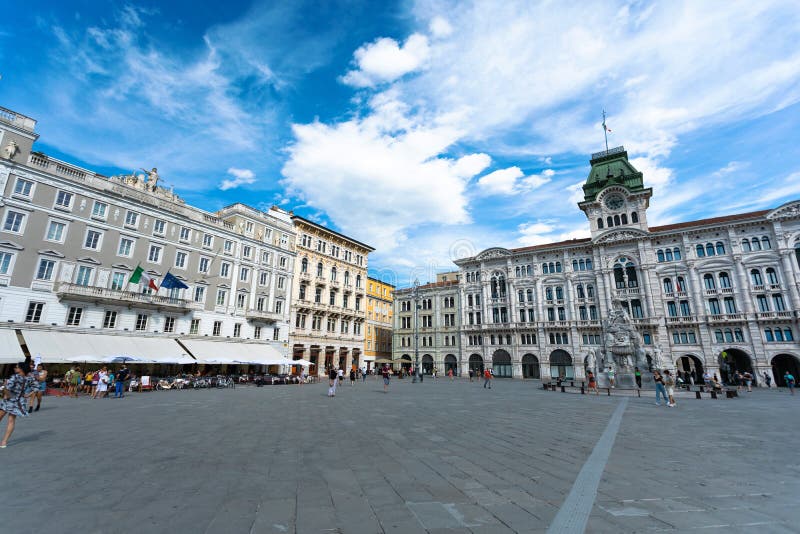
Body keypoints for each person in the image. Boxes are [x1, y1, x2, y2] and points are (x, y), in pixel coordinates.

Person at [0, 361, 36, 447]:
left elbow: (7, 389)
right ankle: (4, 442)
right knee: (11, 421)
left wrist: (4, 389)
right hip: (18, 401)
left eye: (16, 367)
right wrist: (27, 395)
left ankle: (4, 441)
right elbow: (36, 387)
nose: (15, 368)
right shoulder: (29, 378)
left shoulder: (15, 377)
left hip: (9, 401)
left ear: (21, 369)